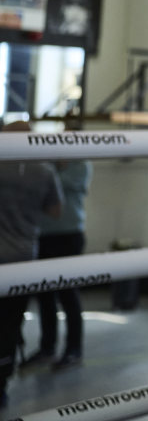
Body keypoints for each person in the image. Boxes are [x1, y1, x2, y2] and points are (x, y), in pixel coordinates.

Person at [0, 121, 63, 409]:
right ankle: (1, 385)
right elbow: (55, 212)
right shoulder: (44, 169)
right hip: (24, 255)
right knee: (11, 324)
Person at [23, 155, 92, 371]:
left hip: (69, 235)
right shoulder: (48, 166)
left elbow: (54, 184)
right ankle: (47, 347)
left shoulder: (81, 165)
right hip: (43, 235)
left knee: (68, 293)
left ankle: (74, 349)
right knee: (44, 294)